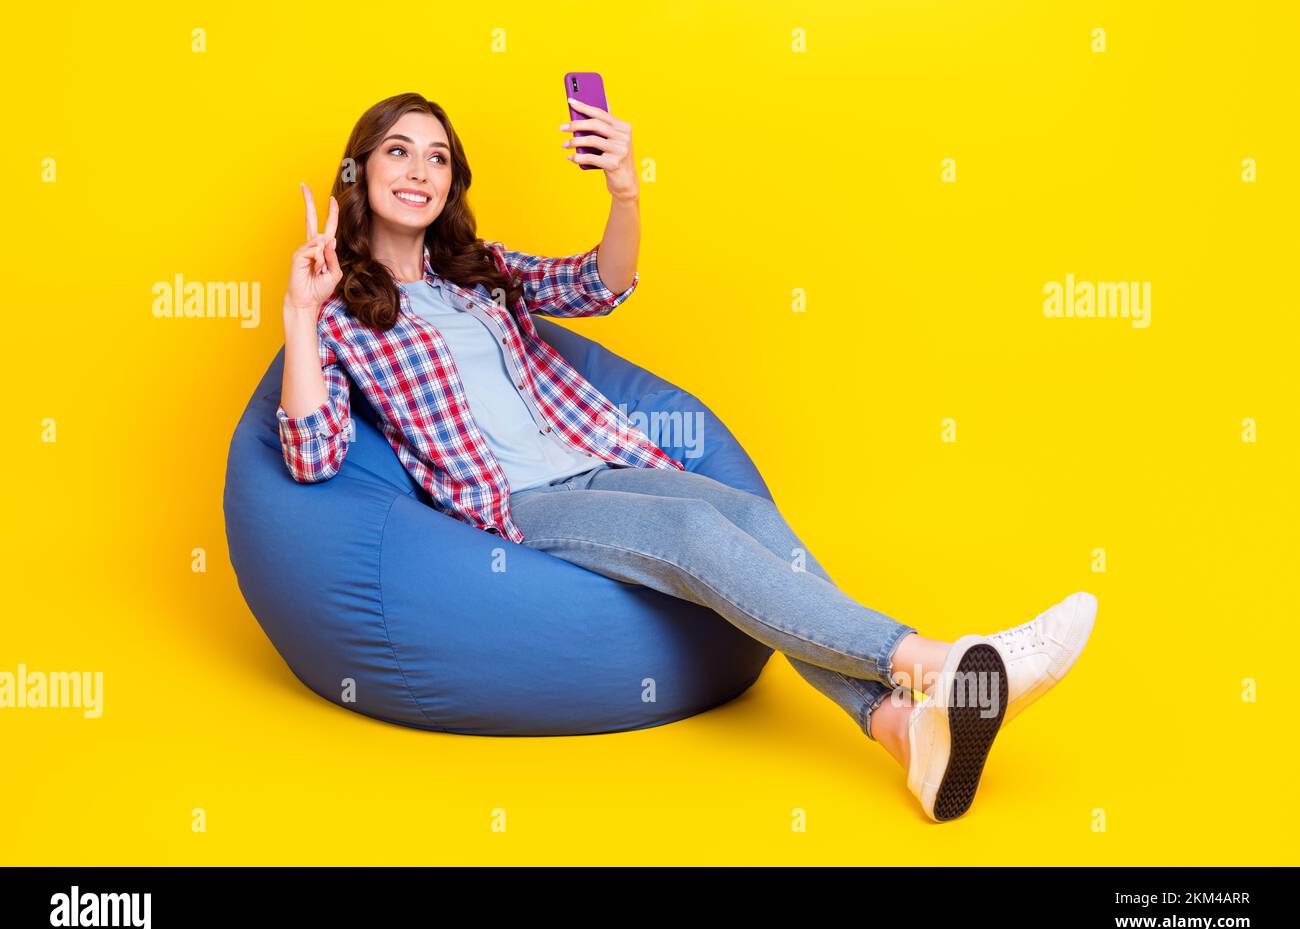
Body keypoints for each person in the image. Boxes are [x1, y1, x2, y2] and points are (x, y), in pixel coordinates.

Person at [277, 93, 1099, 823]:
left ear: (453, 183)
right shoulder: (345, 311)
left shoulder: (480, 275)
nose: (420, 169)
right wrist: (300, 315)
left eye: (438, 156)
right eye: (398, 150)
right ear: (359, 169)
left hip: (593, 457)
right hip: (515, 506)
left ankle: (902, 733)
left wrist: (625, 188)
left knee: (739, 512)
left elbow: (601, 283)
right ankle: (935, 663)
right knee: (691, 539)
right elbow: (312, 461)